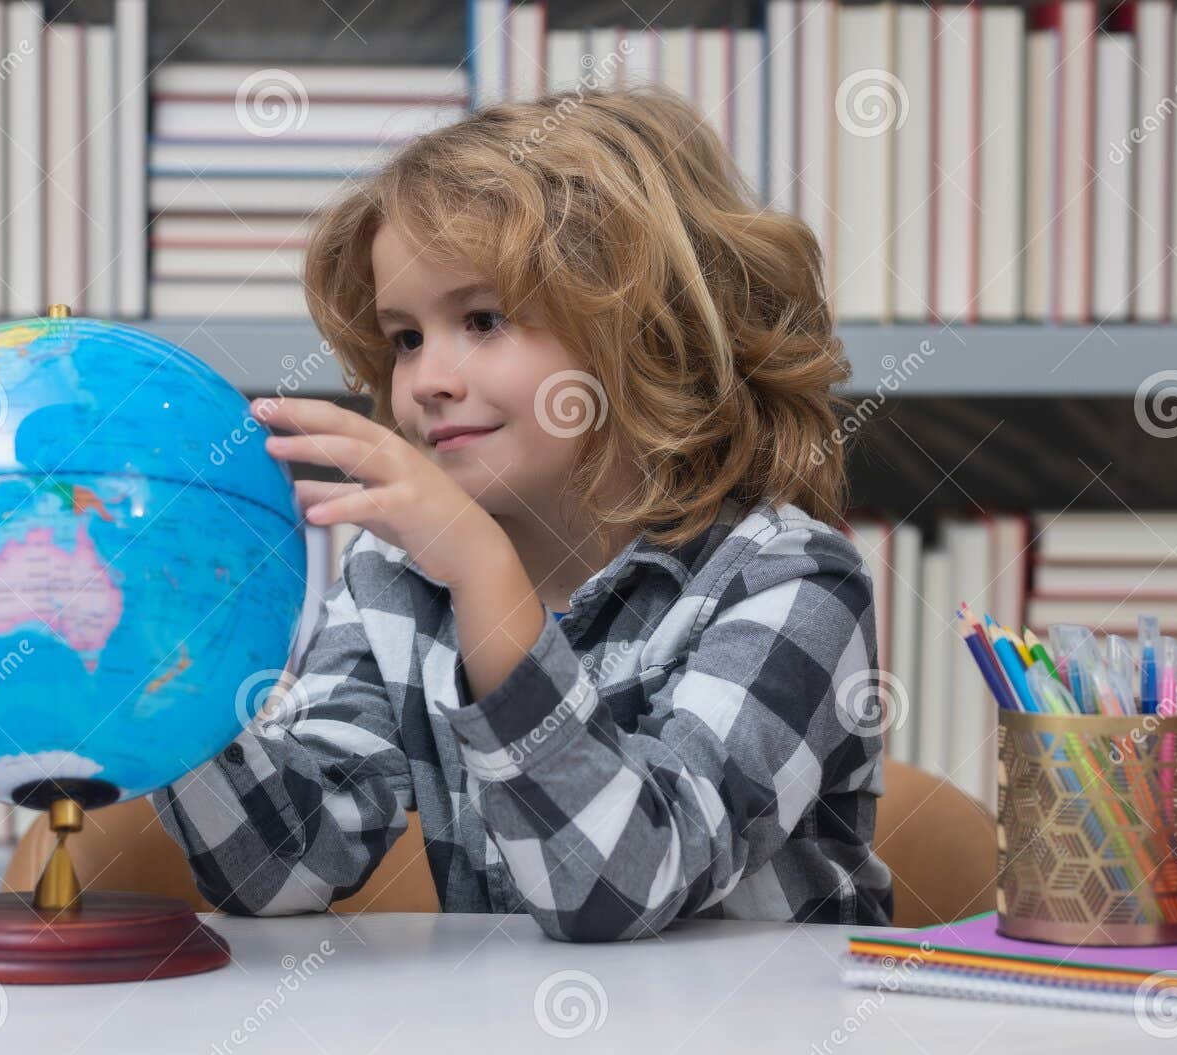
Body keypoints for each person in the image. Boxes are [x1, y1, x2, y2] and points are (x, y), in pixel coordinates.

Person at [149, 86, 894, 941]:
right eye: (406, 338)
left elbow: (623, 885)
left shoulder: (792, 580)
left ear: (650, 331)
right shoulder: (394, 572)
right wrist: (170, 662)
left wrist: (485, 579)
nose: (428, 379)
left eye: (482, 318)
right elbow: (287, 863)